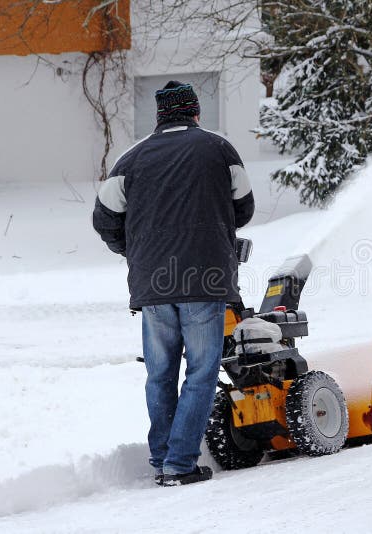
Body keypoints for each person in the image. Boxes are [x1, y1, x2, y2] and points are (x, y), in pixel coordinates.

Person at [92, 81, 254, 486]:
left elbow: (103, 218)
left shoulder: (131, 159)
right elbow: (244, 208)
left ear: (161, 116)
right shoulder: (219, 150)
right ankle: (179, 463)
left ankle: (164, 458)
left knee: (160, 373)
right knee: (201, 372)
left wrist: (133, 251)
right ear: (195, 112)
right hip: (205, 280)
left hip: (153, 285)